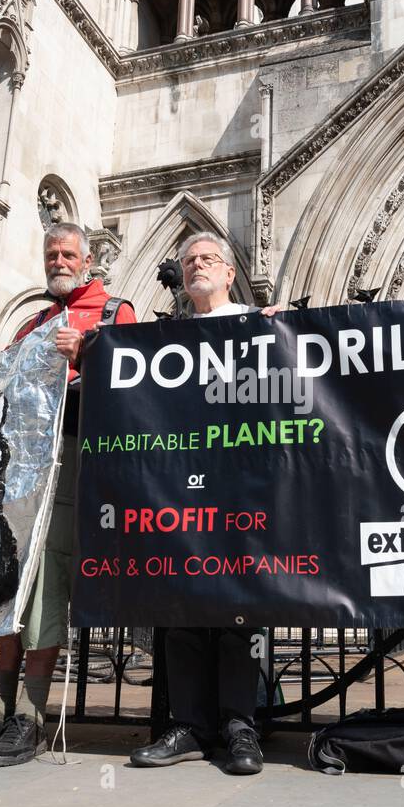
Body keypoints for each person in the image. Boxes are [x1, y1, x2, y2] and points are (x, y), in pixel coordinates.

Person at [0, 222, 136, 767]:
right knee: (6, 576)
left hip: (73, 463)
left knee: (44, 582)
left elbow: (138, 382)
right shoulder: (37, 323)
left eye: (68, 254)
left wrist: (88, 355)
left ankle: (30, 715)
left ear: (89, 262)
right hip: (19, 468)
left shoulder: (116, 314)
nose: (58, 261)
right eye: (51, 254)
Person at [128, 233, 279, 775]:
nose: (196, 268)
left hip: (239, 488)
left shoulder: (257, 321)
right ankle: (188, 726)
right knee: (183, 606)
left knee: (239, 612)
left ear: (230, 272)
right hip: (181, 488)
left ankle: (241, 726)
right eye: (189, 261)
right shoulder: (166, 336)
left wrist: (284, 327)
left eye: (207, 260)